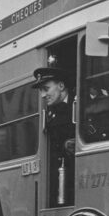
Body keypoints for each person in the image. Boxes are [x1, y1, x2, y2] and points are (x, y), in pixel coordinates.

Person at [32, 66, 75, 205]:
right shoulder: (50, 113)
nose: (43, 95)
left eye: (46, 89)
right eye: (41, 91)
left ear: (61, 86)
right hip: (61, 176)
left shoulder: (80, 103)